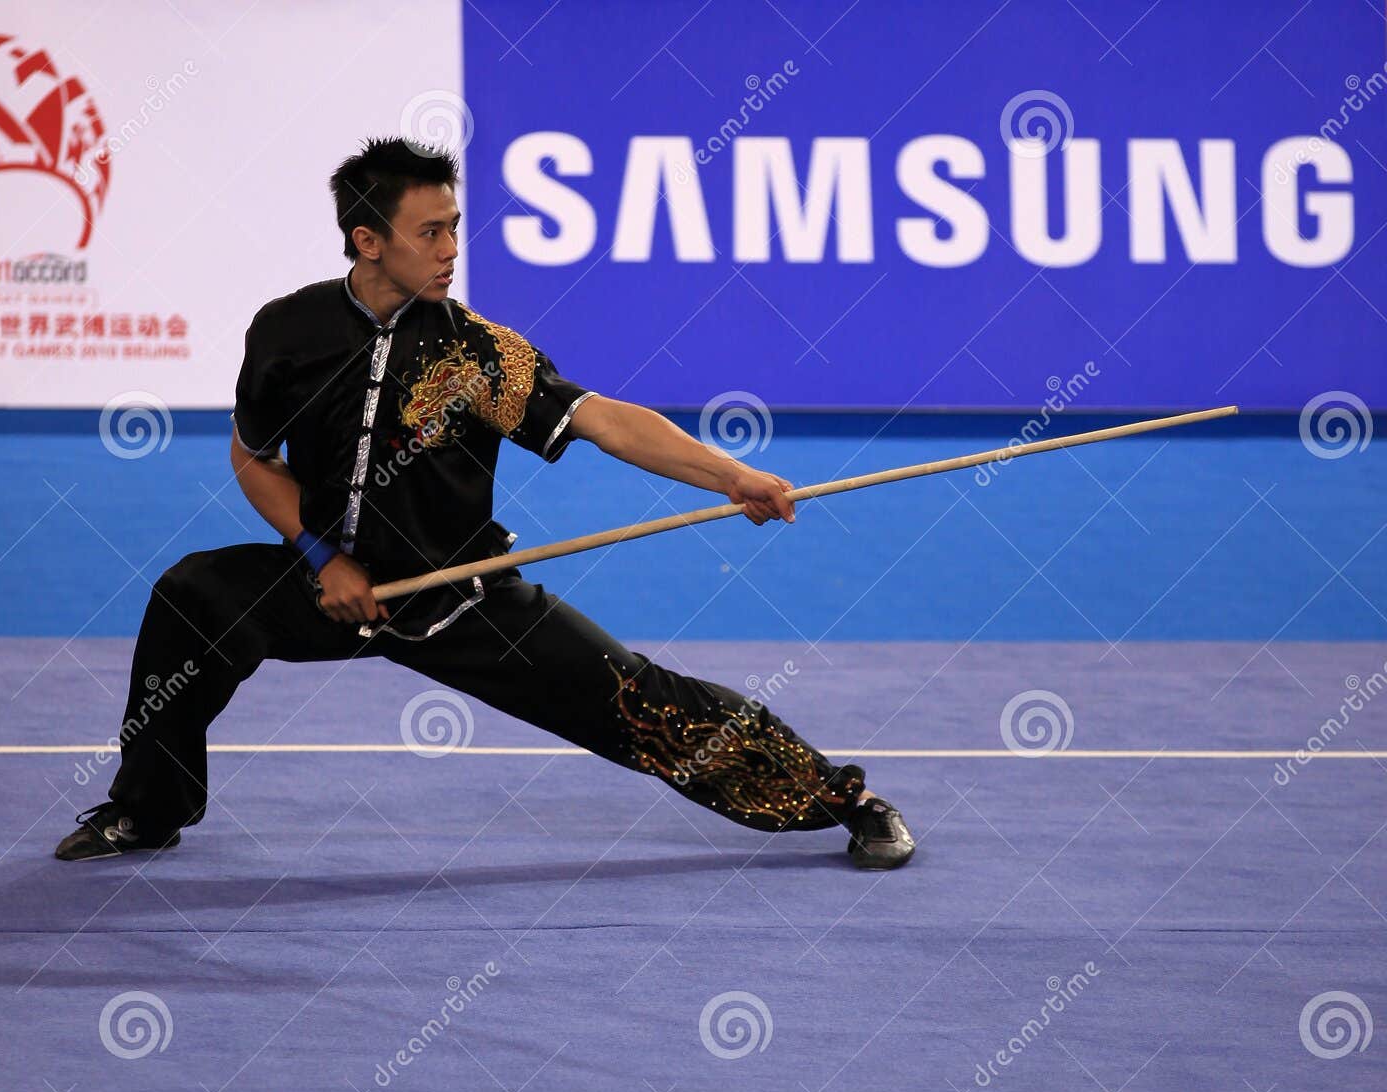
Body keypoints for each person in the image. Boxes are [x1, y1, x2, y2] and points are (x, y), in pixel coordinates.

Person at [54, 137, 915, 869]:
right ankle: (148, 808)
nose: (449, 248)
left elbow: (603, 419)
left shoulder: (477, 353)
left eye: (454, 227)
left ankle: (844, 798)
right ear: (367, 239)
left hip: (462, 597)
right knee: (192, 596)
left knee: (644, 704)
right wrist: (322, 557)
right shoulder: (286, 333)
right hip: (330, 587)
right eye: (429, 231)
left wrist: (731, 476)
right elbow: (252, 457)